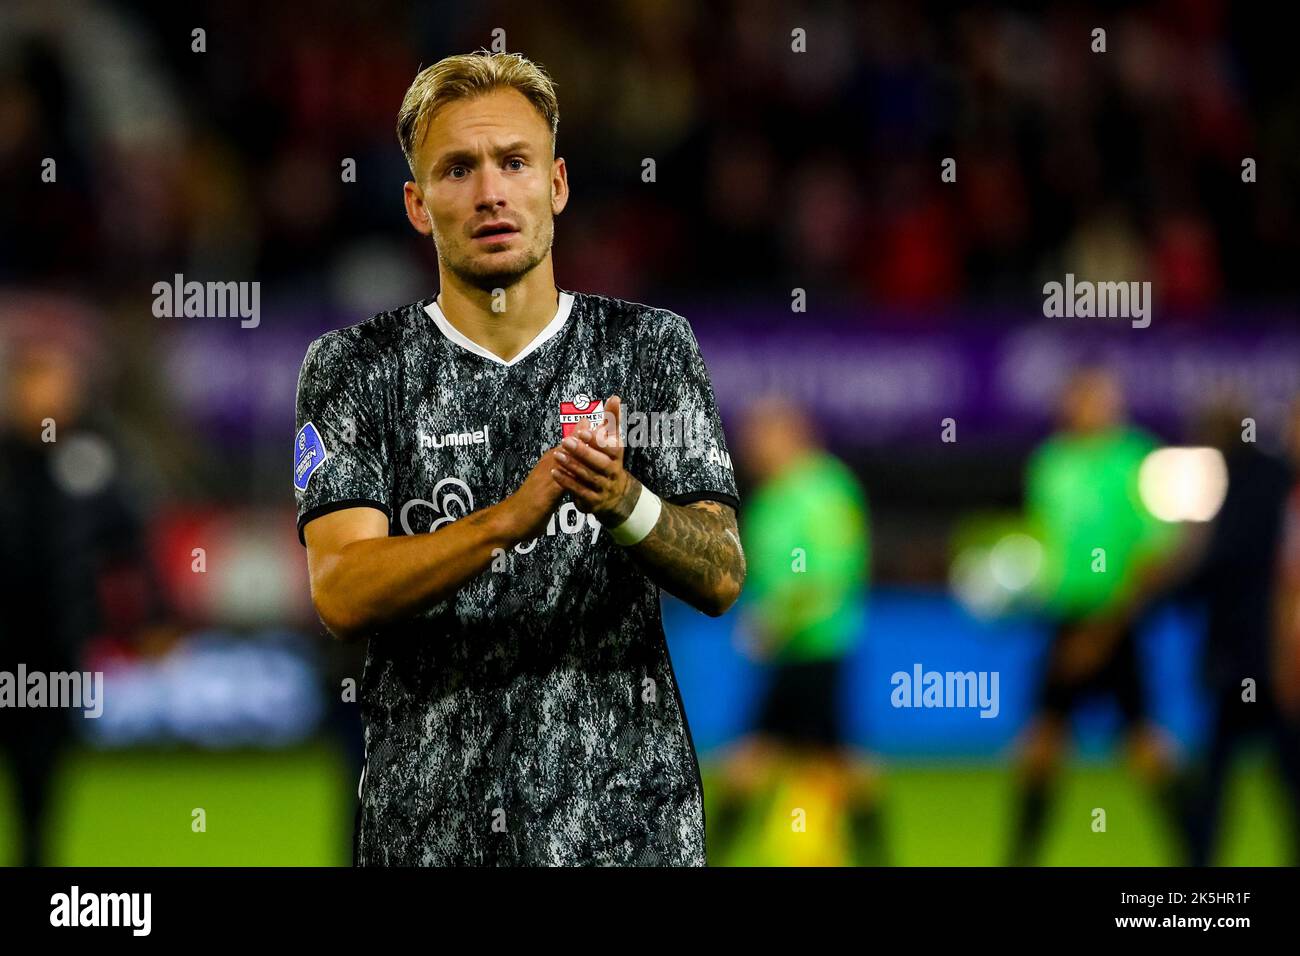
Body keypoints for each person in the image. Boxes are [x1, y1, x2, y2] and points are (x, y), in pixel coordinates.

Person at [293, 51, 746, 866]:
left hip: (627, 831)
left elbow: (720, 574)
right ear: (417, 204)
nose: (490, 192)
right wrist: (504, 520)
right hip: (428, 834)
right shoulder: (358, 368)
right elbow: (341, 589)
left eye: (514, 162)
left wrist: (621, 501)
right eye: (457, 169)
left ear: (558, 185)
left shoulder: (647, 349)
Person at [1007, 364, 1184, 866]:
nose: (1086, 409)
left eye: (1097, 400)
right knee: (1040, 745)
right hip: (1064, 616)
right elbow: (1044, 548)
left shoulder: (1134, 460)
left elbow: (1153, 555)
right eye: (1078, 400)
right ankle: (1020, 857)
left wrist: (1106, 629)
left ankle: (1195, 854)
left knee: (1144, 747)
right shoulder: (1050, 464)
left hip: (1117, 619)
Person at [709, 395, 884, 866]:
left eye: (759, 438)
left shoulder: (825, 490)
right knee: (817, 759)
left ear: (789, 435)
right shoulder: (771, 497)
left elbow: (830, 573)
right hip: (790, 649)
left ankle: (709, 856)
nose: (751, 450)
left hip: (819, 644)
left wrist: (774, 621)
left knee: (763, 758)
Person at [1177, 400, 1300, 865]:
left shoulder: (1256, 482)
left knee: (1223, 777)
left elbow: (1225, 564)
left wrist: (1174, 590)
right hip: (1261, 656)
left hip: (1254, 658)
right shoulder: (1278, 482)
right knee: (1274, 774)